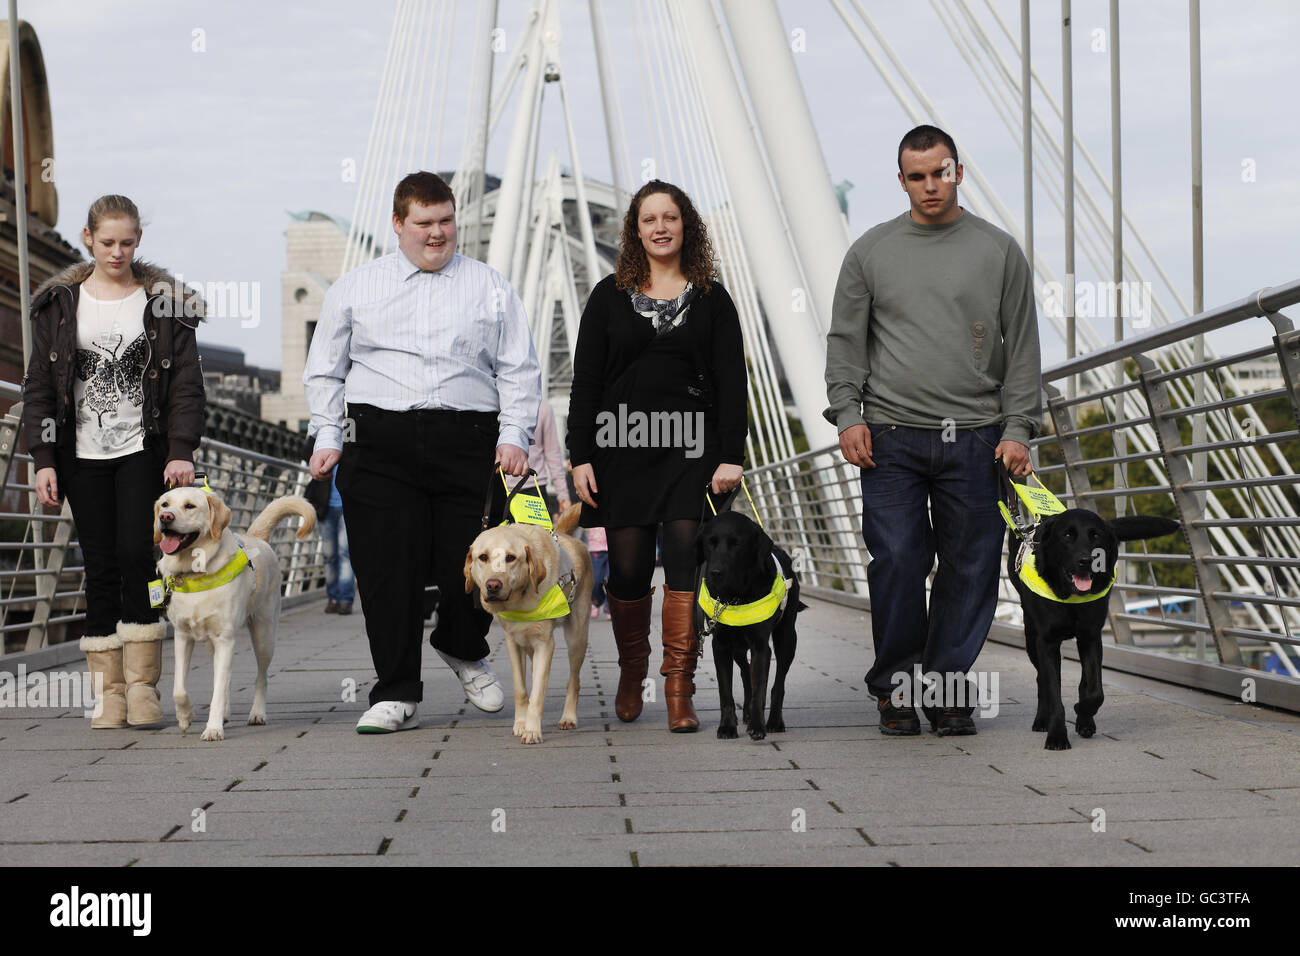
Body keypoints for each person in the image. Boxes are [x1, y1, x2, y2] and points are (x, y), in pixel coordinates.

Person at [304, 171, 541, 735]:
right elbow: (325, 368)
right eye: (425, 224)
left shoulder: (490, 285)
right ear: (398, 224)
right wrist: (328, 436)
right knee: (387, 569)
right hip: (379, 440)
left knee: (475, 560)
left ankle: (461, 646)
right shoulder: (355, 288)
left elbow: (518, 367)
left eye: (446, 222)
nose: (438, 234)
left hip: (470, 438)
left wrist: (516, 435)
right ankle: (395, 690)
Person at [824, 125, 1041, 737]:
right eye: (915, 176)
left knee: (970, 567)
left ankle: (947, 687)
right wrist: (848, 416)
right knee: (896, 558)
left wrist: (1019, 427)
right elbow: (846, 346)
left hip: (976, 435)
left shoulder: (999, 251)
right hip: (888, 436)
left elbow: (1022, 349)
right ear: (901, 181)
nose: (929, 186)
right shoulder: (870, 252)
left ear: (958, 172)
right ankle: (896, 687)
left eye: (939, 173)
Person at [568, 180, 747, 733]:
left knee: (685, 563)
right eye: (649, 219)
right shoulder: (607, 296)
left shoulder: (713, 299)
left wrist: (729, 454)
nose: (661, 227)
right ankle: (632, 670)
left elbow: (731, 382)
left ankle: (678, 686)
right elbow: (586, 383)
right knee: (626, 570)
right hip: (620, 449)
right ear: (635, 230)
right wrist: (580, 455)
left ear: (685, 225)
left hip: (692, 452)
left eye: (670, 217)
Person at [22, 194, 205, 729]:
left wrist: (180, 450)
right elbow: (39, 387)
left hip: (142, 449)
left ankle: (145, 688)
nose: (117, 252)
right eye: (107, 242)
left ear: (138, 241)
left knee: (137, 556)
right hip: (80, 455)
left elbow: (187, 386)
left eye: (127, 242)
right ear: (88, 238)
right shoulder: (59, 303)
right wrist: (43, 458)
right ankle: (110, 694)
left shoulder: (164, 303)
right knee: (99, 564)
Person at [320, 469, 354, 615]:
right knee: (329, 555)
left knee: (345, 554)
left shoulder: (352, 447)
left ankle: (345, 599)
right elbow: (307, 453)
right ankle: (333, 598)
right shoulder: (325, 446)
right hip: (326, 506)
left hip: (348, 506)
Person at [528, 399, 570, 517]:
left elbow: (553, 455)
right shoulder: (496, 402)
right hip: (500, 488)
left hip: (534, 490)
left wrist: (563, 496)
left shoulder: (543, 407)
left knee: (535, 536)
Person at [587, 525, 610, 620]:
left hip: (615, 544)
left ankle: (609, 607)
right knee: (596, 581)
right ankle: (597, 601)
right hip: (596, 547)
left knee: (611, 580)